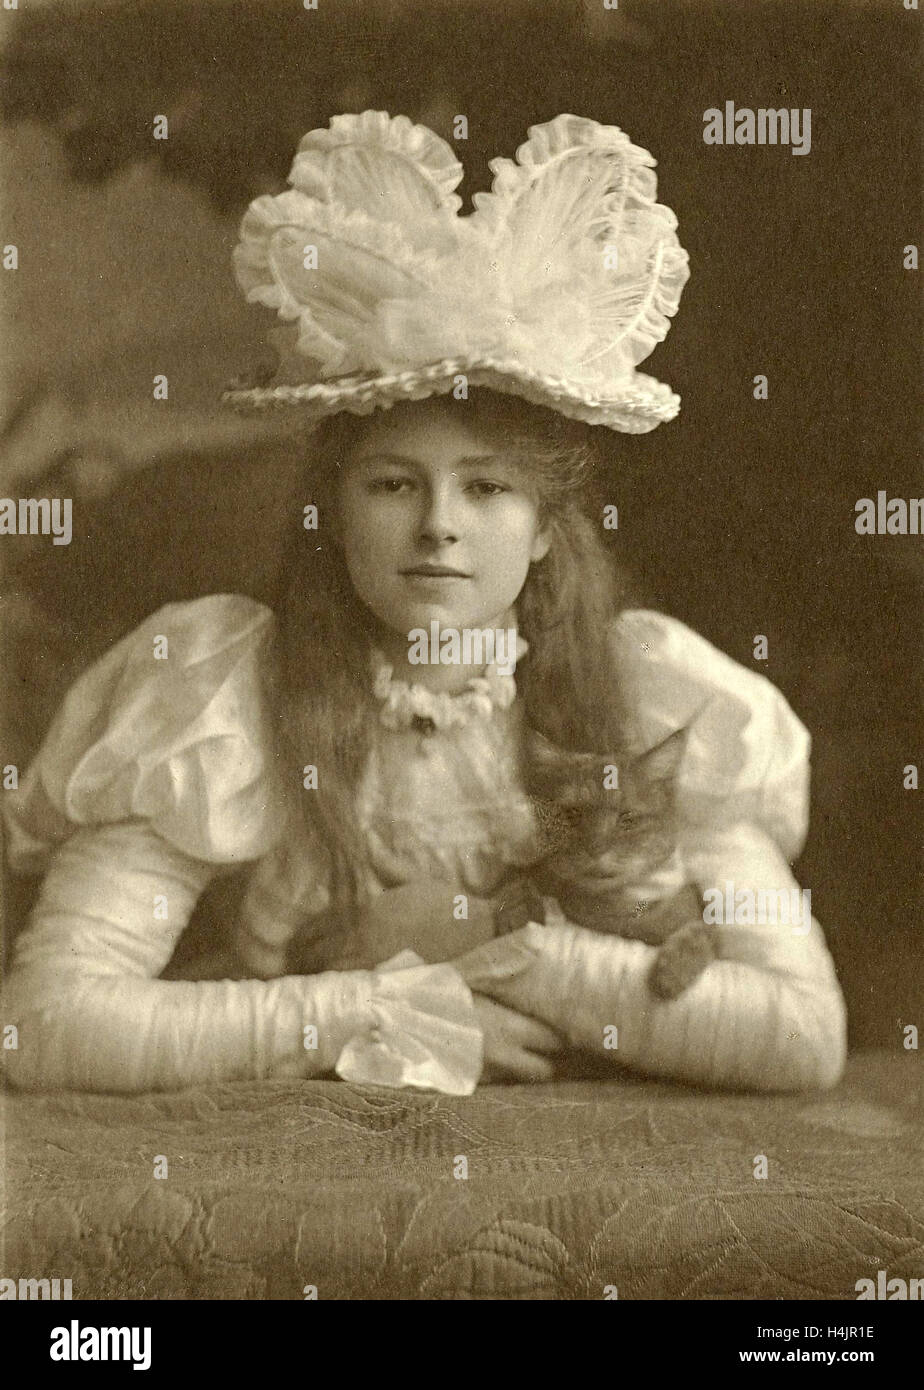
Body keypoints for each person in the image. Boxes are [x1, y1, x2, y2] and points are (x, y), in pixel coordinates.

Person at [1, 111, 846, 1096]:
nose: (439, 525)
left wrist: (500, 954)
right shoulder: (222, 694)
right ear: (336, 512)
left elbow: (801, 1033)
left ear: (542, 529)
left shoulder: (651, 694)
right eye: (394, 484)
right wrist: (385, 1011)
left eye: (487, 488)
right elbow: (47, 1023)